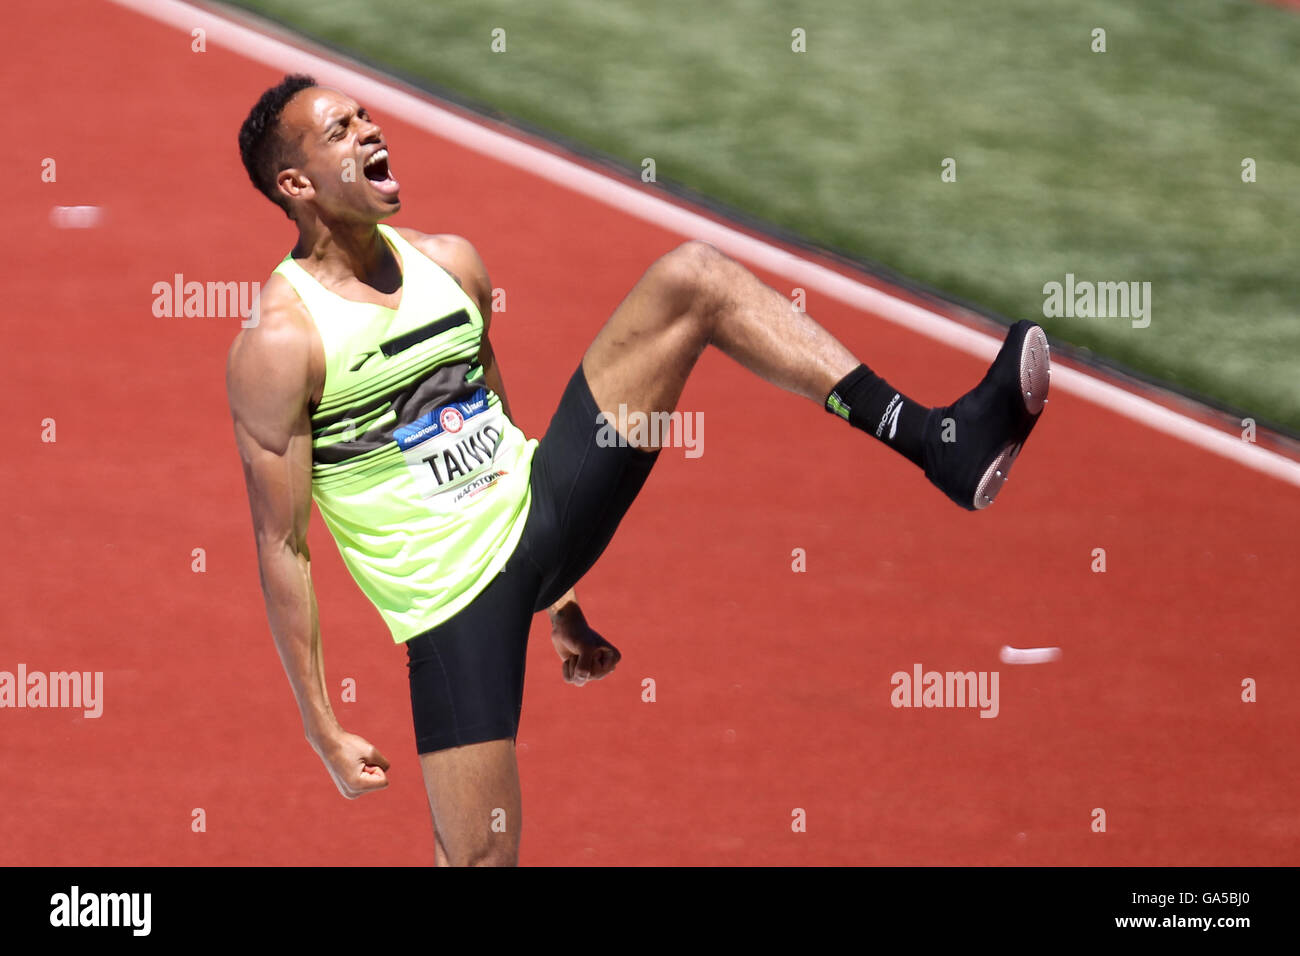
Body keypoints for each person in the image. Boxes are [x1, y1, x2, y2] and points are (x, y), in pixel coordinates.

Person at [228, 74, 1050, 866]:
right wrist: (323, 728)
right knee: (480, 856)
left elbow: (501, 426)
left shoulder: (452, 265)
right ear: (295, 183)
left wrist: (562, 599)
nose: (370, 130)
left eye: (367, 116)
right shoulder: (281, 342)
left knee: (692, 278)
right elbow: (282, 546)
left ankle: (938, 441)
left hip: (546, 516)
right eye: (342, 129)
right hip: (452, 610)